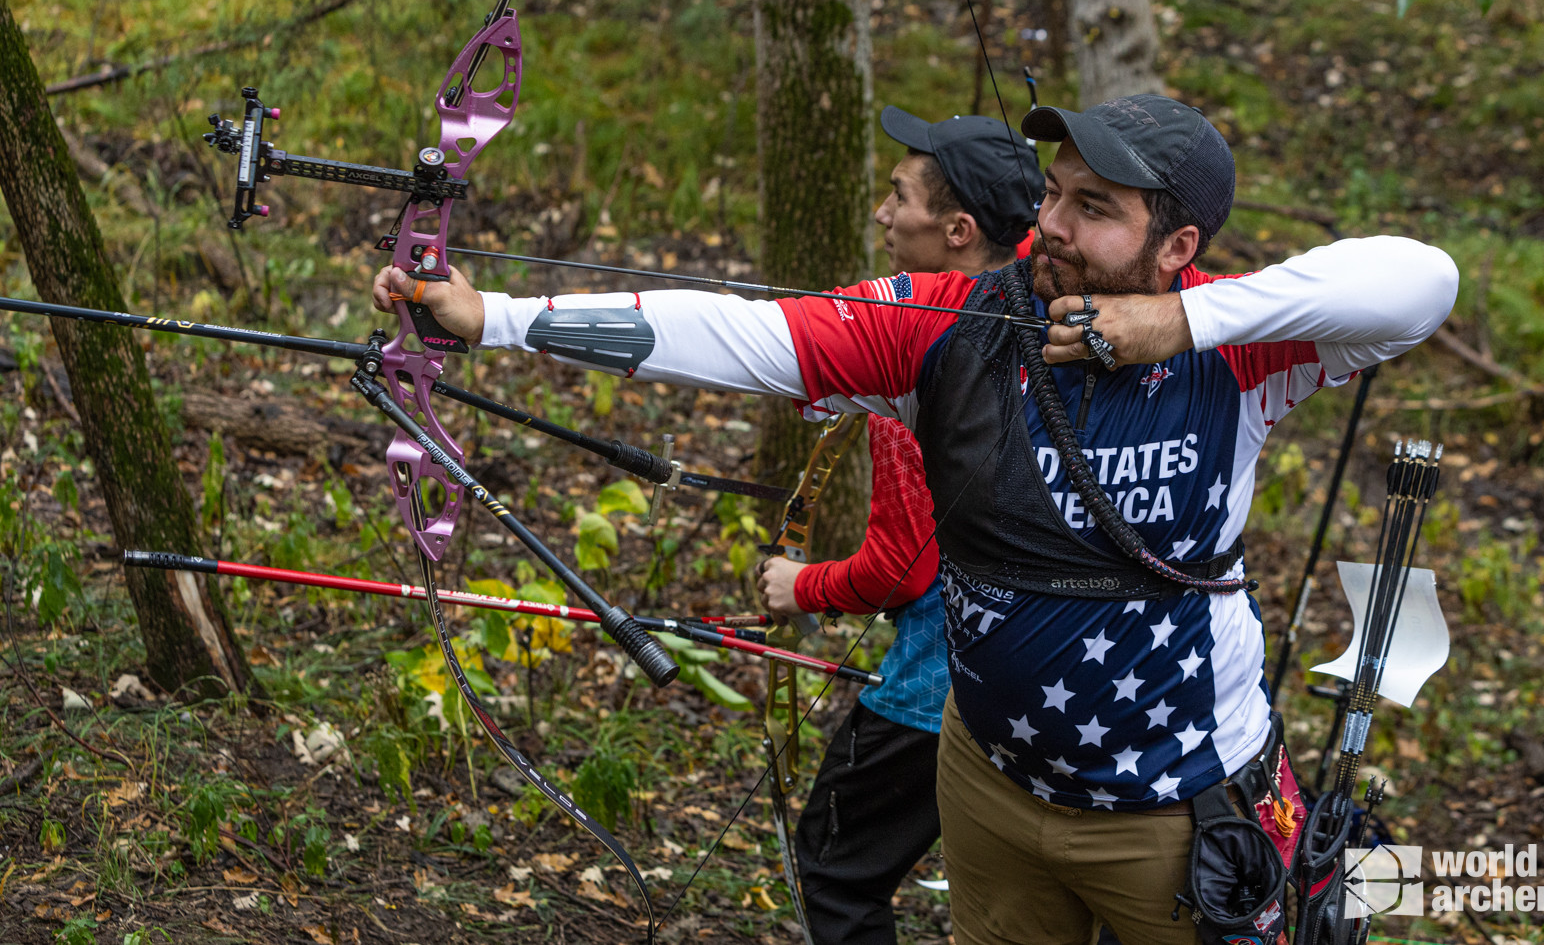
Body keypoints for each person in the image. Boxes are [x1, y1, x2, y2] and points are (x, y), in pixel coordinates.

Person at [372, 94, 1459, 944]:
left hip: (1173, 807)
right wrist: (497, 318)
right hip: (988, 783)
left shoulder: (1241, 347)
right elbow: (750, 337)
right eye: (1054, 193)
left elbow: (1422, 280)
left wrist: (1182, 322)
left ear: (1174, 246)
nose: (1051, 227)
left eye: (1094, 209)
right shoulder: (951, 322)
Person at [754, 107, 1044, 945]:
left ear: (958, 230)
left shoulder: (921, 343)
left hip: (943, 687)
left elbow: (901, 569)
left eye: (898, 197)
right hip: (1061, 682)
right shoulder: (1050, 310)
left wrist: (803, 584)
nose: (882, 215)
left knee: (836, 867)